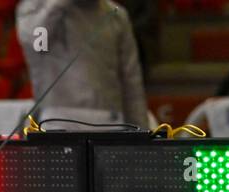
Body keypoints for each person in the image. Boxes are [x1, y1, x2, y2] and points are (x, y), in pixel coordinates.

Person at [16, 0, 147, 126]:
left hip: (110, 122)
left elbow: (131, 82)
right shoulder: (36, 7)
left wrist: (142, 134)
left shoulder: (117, 15)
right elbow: (35, 45)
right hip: (57, 122)